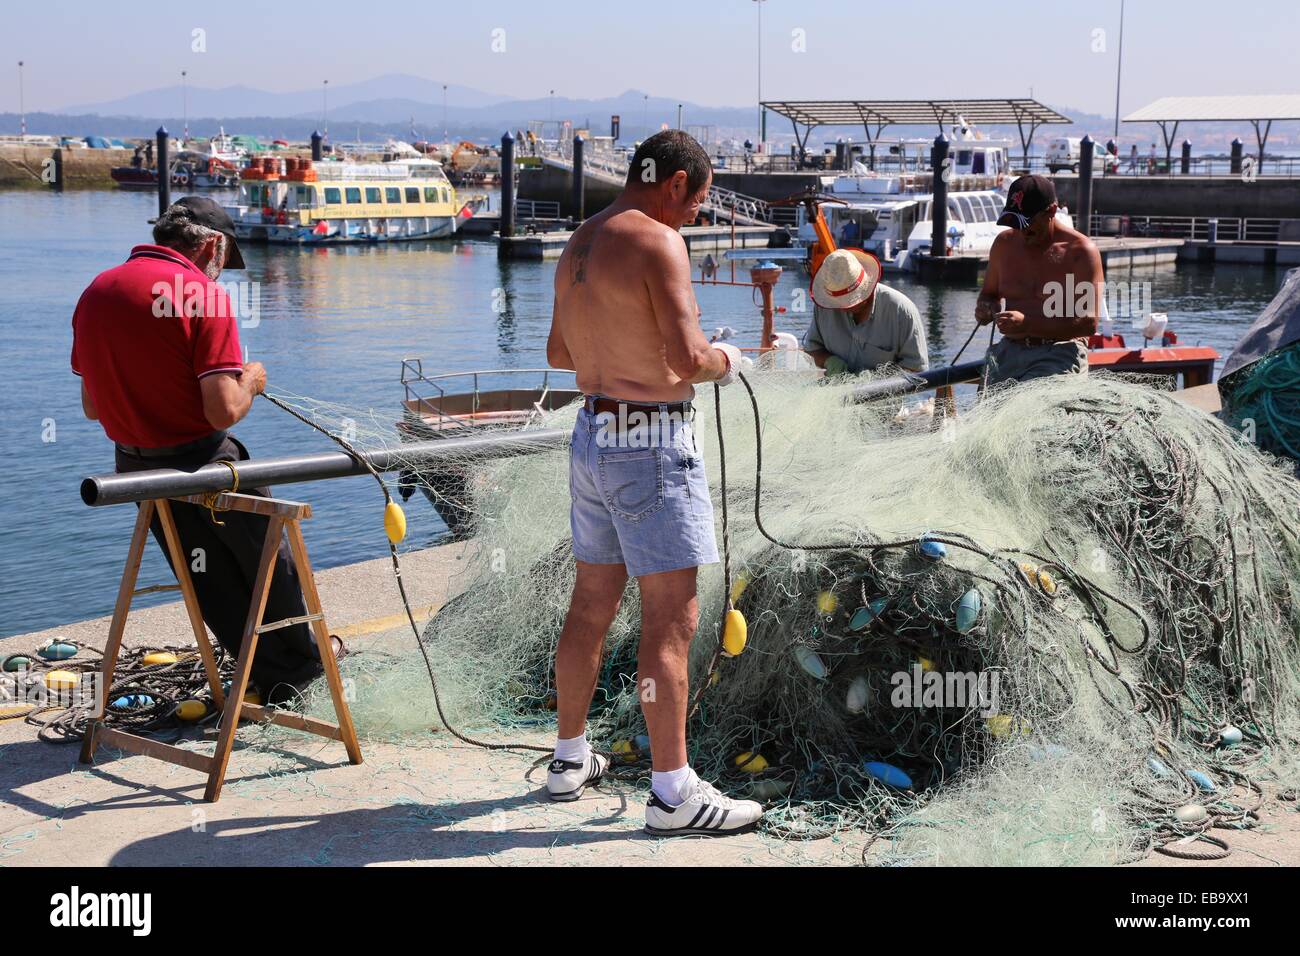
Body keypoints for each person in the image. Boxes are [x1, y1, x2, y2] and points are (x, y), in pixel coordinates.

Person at [545, 129, 764, 836]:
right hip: (650, 441)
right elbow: (688, 356)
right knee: (671, 619)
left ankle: (568, 759)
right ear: (674, 182)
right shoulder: (658, 241)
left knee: (590, 605)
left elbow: (557, 351)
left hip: (592, 435)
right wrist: (733, 355)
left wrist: (625, 348)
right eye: (698, 200)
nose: (697, 214)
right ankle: (673, 793)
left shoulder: (582, 238)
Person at [71, 197, 338, 704]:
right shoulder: (202, 294)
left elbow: (91, 405)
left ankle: (263, 671)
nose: (223, 275)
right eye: (225, 261)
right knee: (269, 560)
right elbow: (221, 411)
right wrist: (252, 381)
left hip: (134, 469)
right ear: (212, 244)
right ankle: (298, 670)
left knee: (205, 574)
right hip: (205, 464)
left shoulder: (97, 291)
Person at [975, 175, 1103, 386]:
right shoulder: (1004, 244)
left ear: (1051, 211)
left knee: (1028, 405)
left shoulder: (1081, 252)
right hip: (1009, 350)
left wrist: (1027, 323)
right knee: (987, 410)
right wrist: (986, 308)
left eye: (1028, 222)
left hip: (1059, 353)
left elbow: (1088, 322)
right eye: (1015, 222)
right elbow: (988, 294)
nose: (1022, 230)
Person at [802, 248, 928, 374]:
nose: (844, 307)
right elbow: (811, 350)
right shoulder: (824, 307)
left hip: (889, 393)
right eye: (839, 302)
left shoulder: (902, 311)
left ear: (866, 286)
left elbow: (916, 369)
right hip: (835, 392)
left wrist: (880, 383)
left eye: (850, 300)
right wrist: (828, 360)